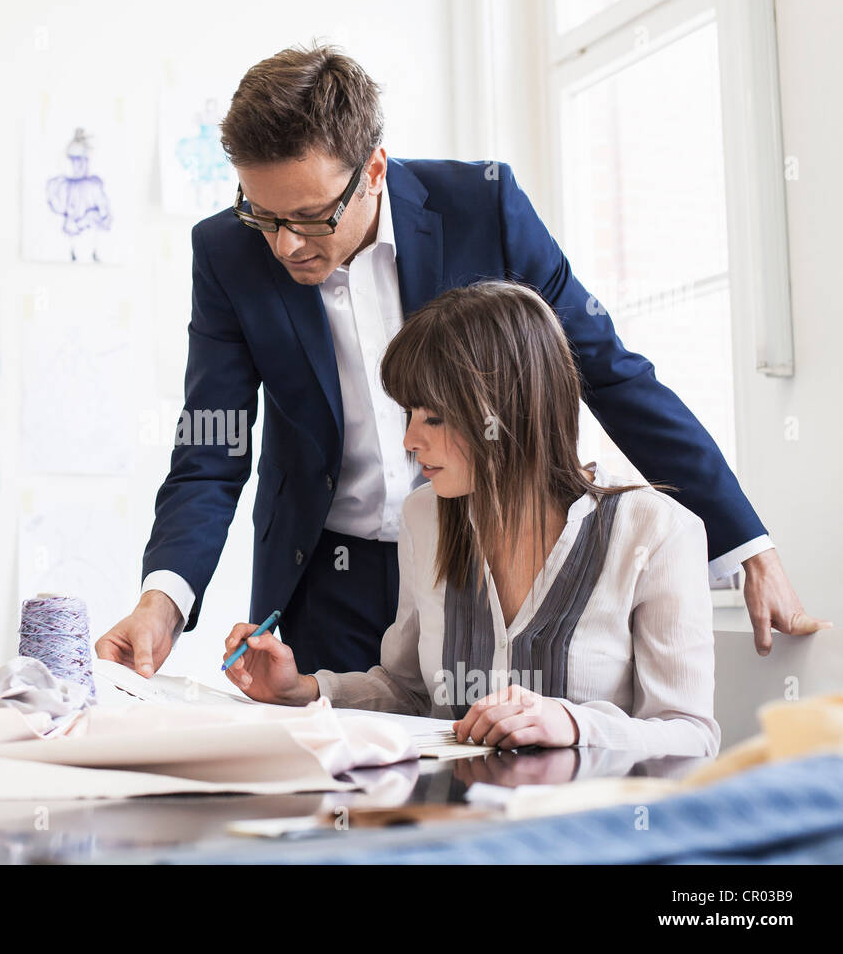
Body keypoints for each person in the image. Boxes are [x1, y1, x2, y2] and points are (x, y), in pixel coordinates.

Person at [95, 42, 828, 680]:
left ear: (373, 168)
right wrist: (163, 598)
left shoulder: (485, 206)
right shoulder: (225, 252)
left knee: (478, 772)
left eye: (312, 216)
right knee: (350, 803)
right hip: (328, 578)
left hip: (483, 558)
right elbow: (212, 446)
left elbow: (607, 370)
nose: (286, 244)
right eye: (263, 215)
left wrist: (744, 542)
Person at [223, 281, 719, 757]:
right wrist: (301, 689)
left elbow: (690, 735)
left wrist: (571, 724)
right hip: (450, 817)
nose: (409, 441)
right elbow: (409, 692)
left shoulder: (657, 532)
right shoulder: (424, 517)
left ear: (504, 412)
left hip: (582, 828)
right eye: (409, 414)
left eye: (433, 417)